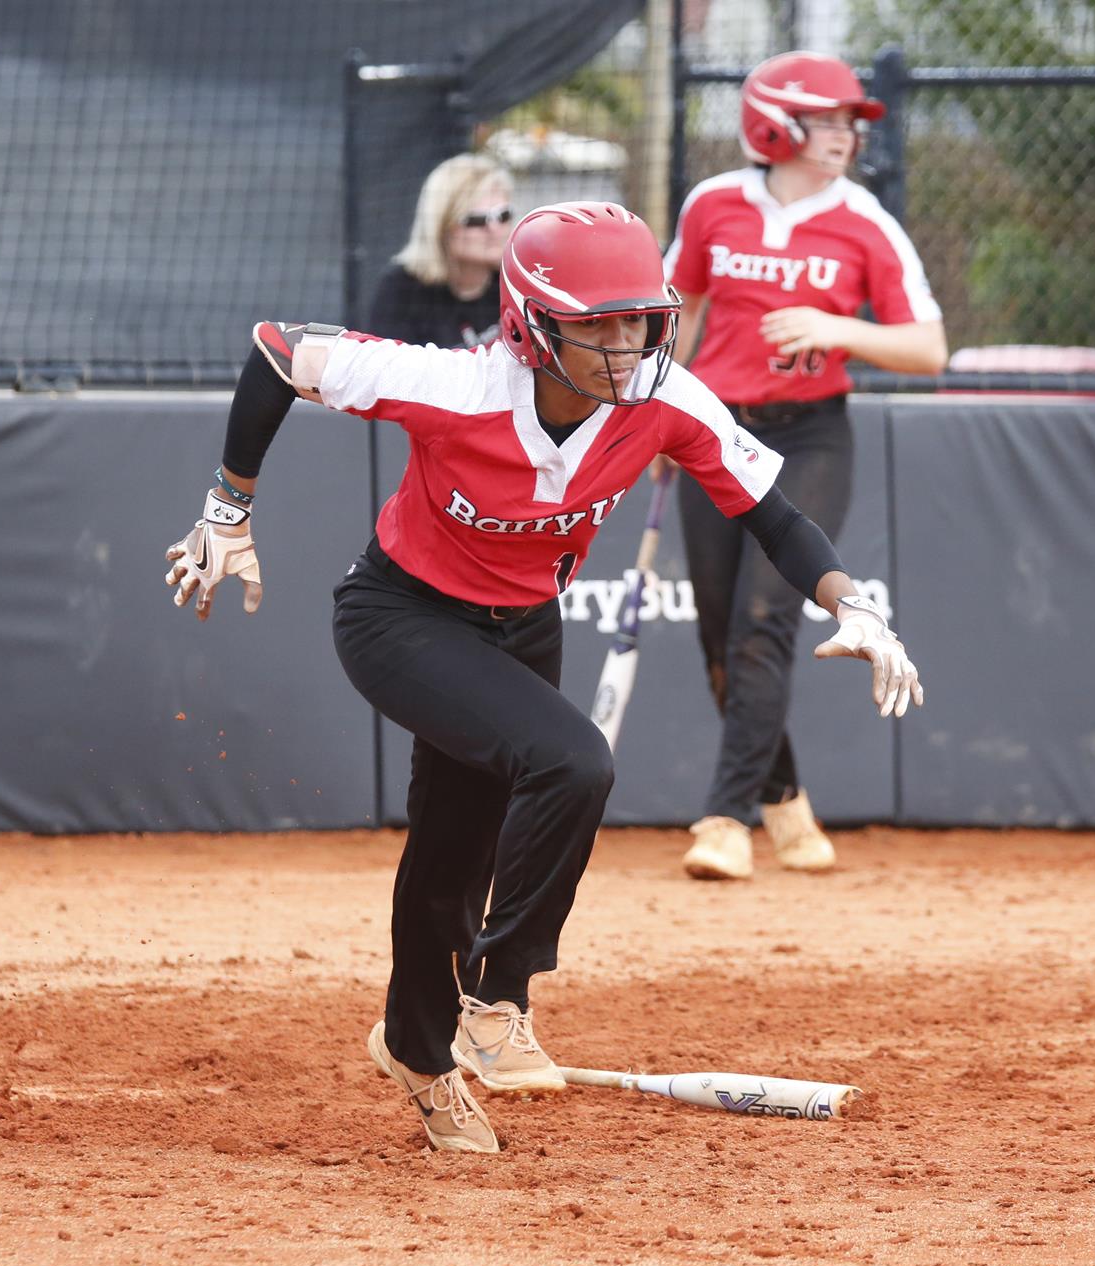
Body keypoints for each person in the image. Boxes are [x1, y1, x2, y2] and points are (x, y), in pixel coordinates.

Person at [163, 201, 923, 1154]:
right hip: (402, 615)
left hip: (523, 624)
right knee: (575, 761)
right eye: (596, 324)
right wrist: (227, 508)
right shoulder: (459, 384)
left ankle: (418, 1051)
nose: (624, 346)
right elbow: (279, 350)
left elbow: (774, 514)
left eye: (638, 320)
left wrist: (853, 606)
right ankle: (498, 1002)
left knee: (454, 851)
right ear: (530, 325)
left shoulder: (667, 400)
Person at [661, 50, 948, 882]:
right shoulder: (713, 204)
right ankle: (785, 801)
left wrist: (839, 329)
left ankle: (726, 819)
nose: (845, 136)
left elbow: (928, 347)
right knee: (720, 636)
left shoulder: (865, 221)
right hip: (715, 432)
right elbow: (677, 316)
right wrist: (650, 417)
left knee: (763, 621)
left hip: (810, 437)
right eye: (827, 121)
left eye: (852, 123)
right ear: (774, 125)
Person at [363, 153, 515, 349]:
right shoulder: (402, 289)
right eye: (476, 220)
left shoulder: (518, 281)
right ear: (442, 226)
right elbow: (388, 364)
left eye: (503, 215)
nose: (494, 229)